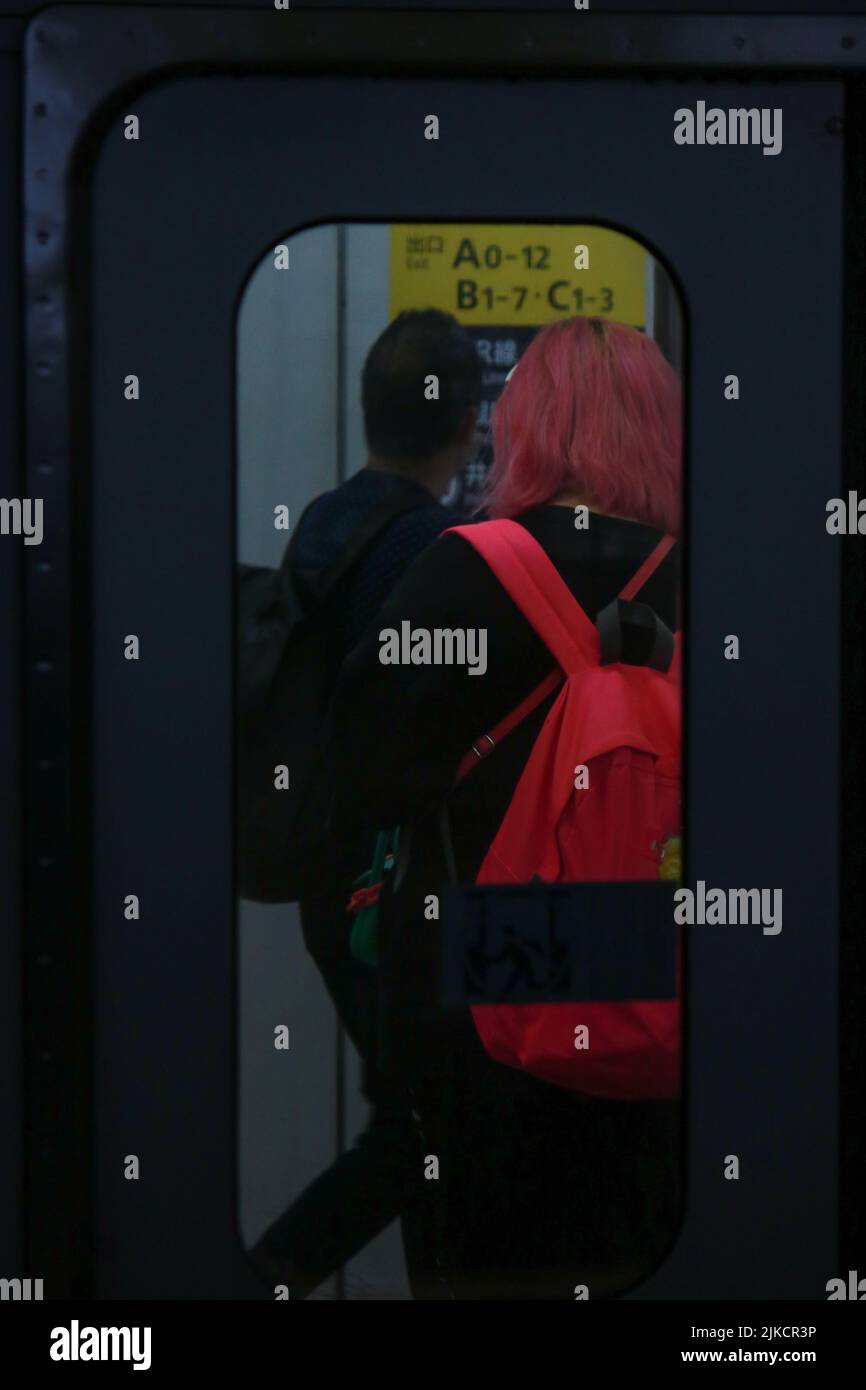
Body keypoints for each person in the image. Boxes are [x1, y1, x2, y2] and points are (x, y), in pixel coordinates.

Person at [327, 315, 684, 1299]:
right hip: (666, 967)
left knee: (484, 1254)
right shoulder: (710, 574)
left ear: (524, 423)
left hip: (474, 975)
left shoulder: (467, 570)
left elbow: (356, 772)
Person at [250, 308, 481, 1297]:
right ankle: (269, 1269)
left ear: (365, 416)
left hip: (323, 876)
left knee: (414, 1110)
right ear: (467, 426)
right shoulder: (443, 550)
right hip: (393, 895)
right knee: (427, 1121)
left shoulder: (321, 524)